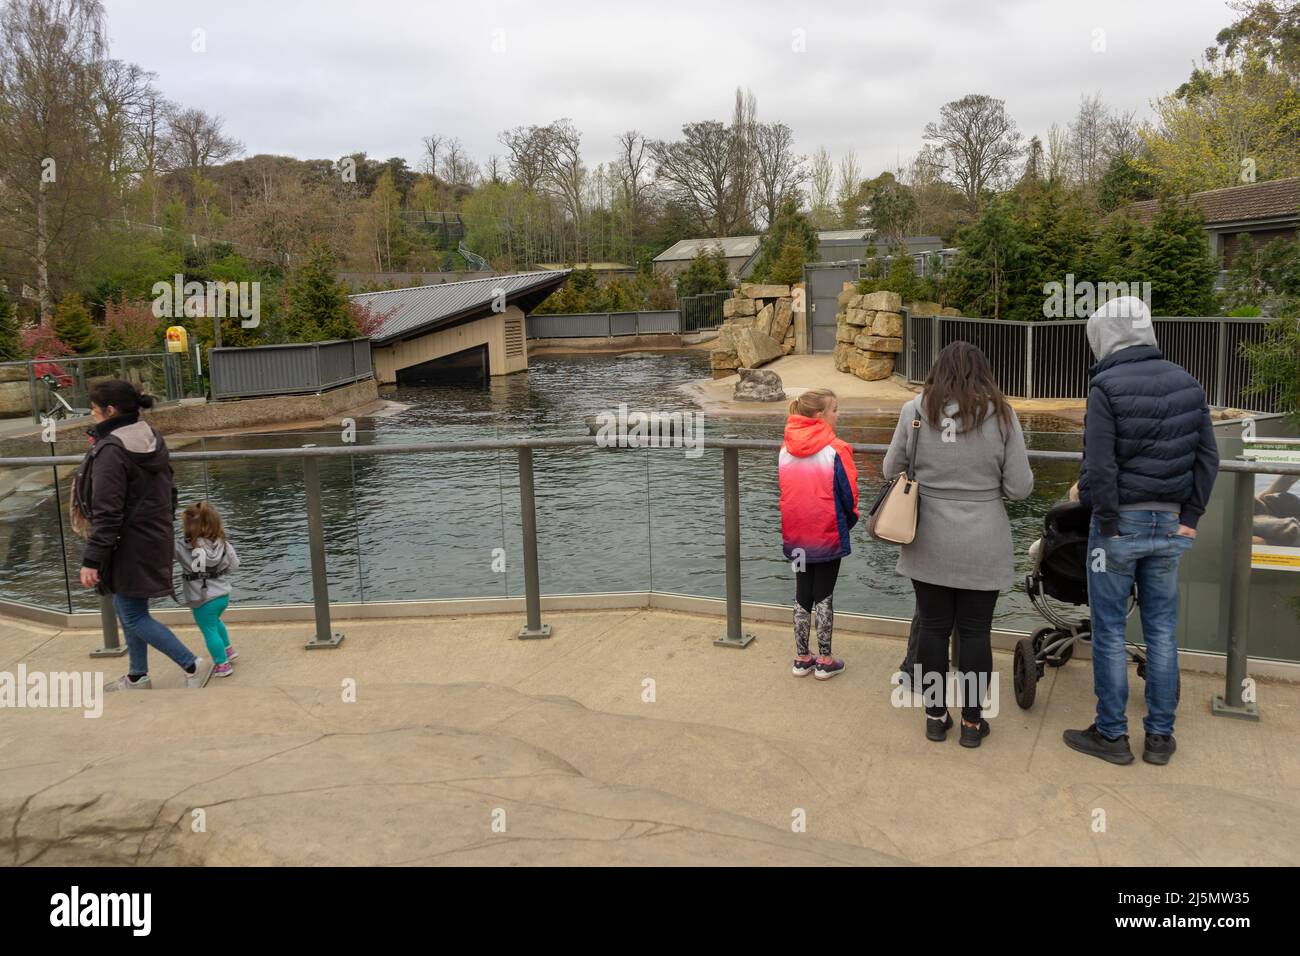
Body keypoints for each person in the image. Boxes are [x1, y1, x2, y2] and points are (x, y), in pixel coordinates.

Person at [1065, 296, 1218, 766]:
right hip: (1170, 524)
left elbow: (1099, 465)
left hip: (1120, 525)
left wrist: (1106, 520)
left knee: (1110, 630)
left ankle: (1112, 735)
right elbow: (1206, 459)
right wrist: (1190, 518)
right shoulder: (1188, 383)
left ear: (1104, 337)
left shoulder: (1106, 386)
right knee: (1162, 631)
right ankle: (1159, 738)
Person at [883, 341, 1033, 747]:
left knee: (932, 628)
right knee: (976, 632)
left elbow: (889, 468)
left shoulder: (914, 410)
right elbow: (1020, 488)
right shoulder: (1001, 415)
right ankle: (972, 723)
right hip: (983, 538)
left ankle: (935, 717)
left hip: (928, 535)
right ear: (983, 370)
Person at [73, 380, 211, 690]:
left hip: (128, 542)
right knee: (130, 609)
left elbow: (107, 512)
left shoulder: (112, 449)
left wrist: (91, 560)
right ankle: (138, 675)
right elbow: (170, 490)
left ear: (109, 411)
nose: (92, 416)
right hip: (153, 534)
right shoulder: (150, 437)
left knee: (133, 614)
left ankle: (192, 665)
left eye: (93, 411)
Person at [779, 387, 859, 680]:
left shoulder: (785, 448)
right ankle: (825, 659)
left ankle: (802, 658)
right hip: (826, 535)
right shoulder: (837, 449)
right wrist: (847, 523)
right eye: (835, 410)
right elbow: (849, 497)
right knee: (824, 595)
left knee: (802, 594)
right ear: (820, 416)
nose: (838, 415)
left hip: (796, 536)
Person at [176, 501, 241, 678]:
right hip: (222, 596)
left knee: (209, 631)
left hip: (202, 599)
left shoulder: (182, 546)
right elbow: (235, 565)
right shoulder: (223, 544)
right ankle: (228, 650)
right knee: (216, 623)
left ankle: (222, 664)